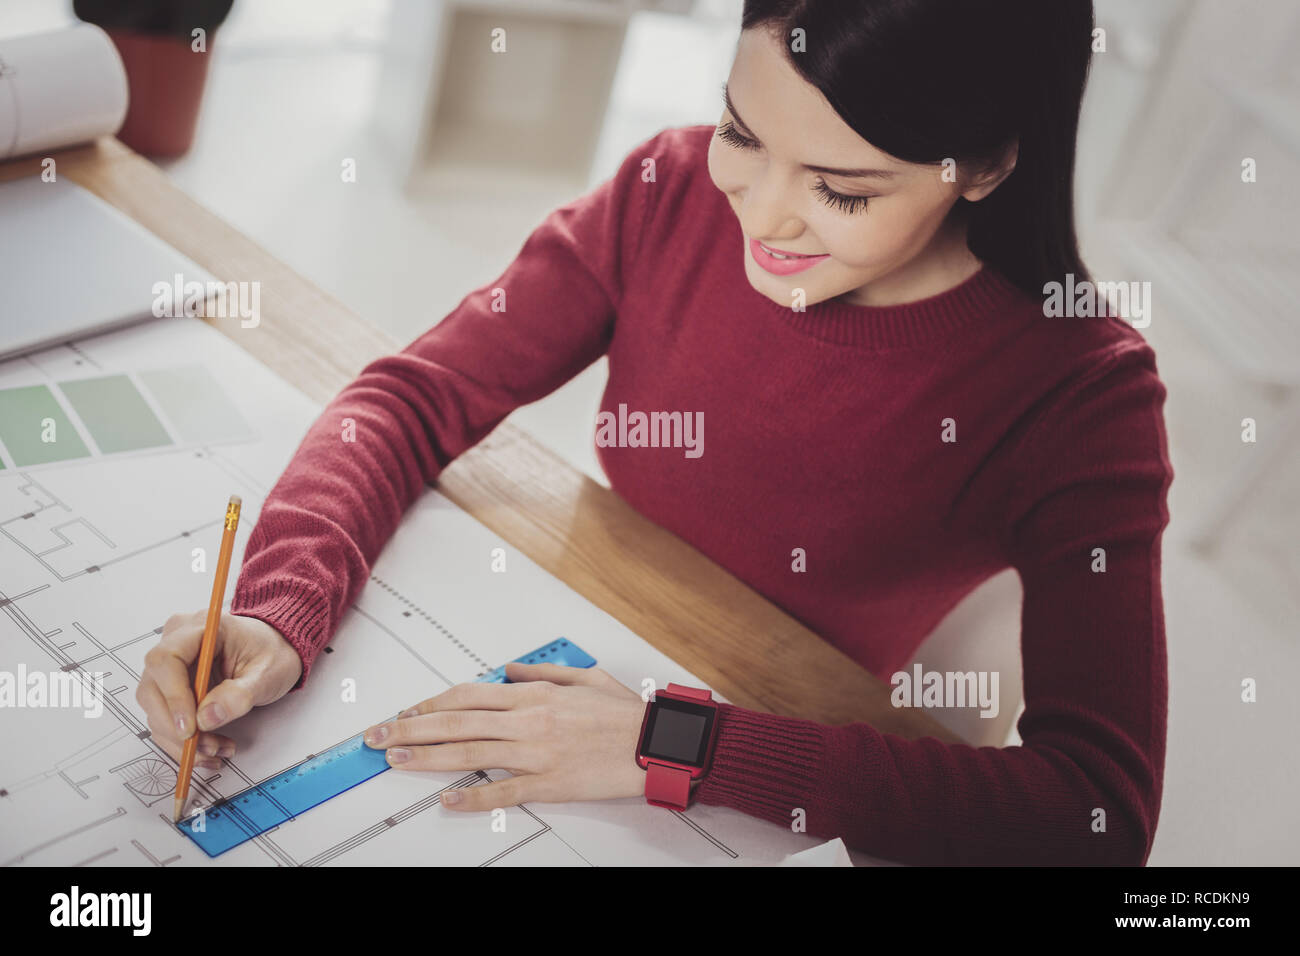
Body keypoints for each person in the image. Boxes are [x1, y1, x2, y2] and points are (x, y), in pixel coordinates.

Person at [137, 0, 1172, 865]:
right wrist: (281, 604)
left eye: (841, 190)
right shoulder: (667, 190)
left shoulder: (1082, 394)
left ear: (984, 166)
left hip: (765, 747)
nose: (762, 217)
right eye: (743, 132)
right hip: (613, 622)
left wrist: (671, 740)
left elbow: (1094, 809)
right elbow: (411, 398)